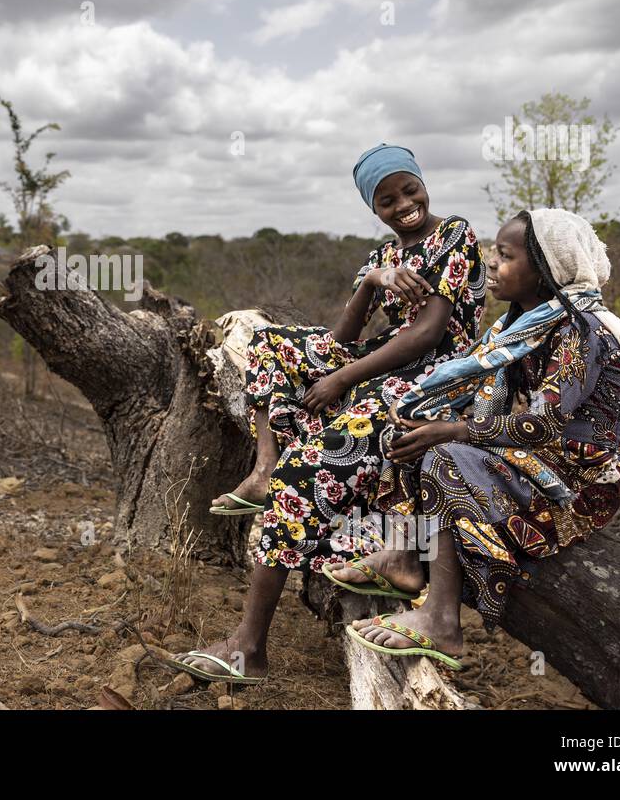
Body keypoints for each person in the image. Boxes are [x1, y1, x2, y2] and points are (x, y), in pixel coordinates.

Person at [171, 144, 486, 685]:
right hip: (383, 365)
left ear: (423, 183)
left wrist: (341, 379)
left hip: (435, 378)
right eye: (387, 199)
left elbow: (430, 333)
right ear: (373, 208)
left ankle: (250, 645)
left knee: (308, 467)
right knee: (271, 345)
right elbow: (342, 339)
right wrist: (372, 282)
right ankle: (266, 465)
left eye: (409, 189)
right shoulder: (382, 256)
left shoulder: (453, 236)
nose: (404, 204)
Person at [336, 209, 620, 669]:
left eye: (506, 255)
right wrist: (435, 419)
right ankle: (402, 557)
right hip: (546, 458)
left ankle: (442, 620)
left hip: (581, 481)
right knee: (415, 421)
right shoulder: (521, 327)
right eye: (494, 253)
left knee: (443, 454)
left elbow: (541, 424)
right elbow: (476, 395)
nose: (491, 263)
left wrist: (456, 431)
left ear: (545, 271)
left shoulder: (581, 330)